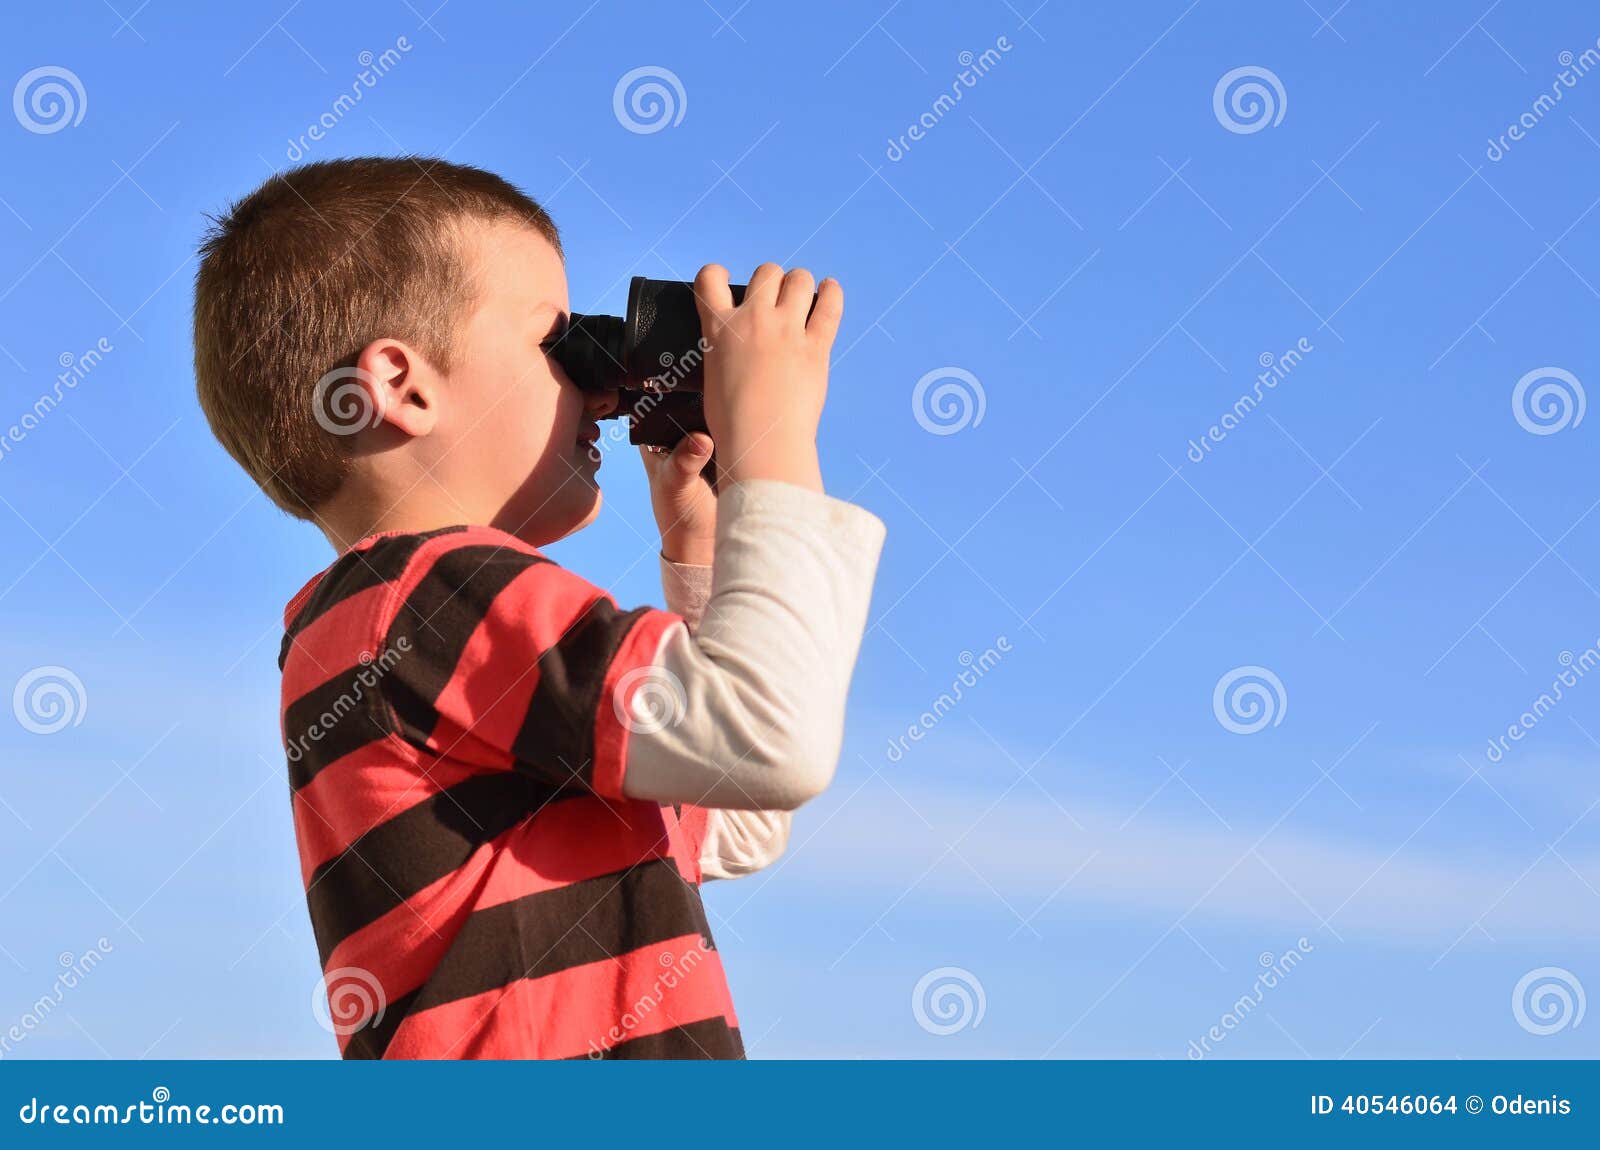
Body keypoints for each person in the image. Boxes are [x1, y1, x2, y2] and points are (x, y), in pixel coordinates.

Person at [191, 157, 885, 1058]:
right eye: (554, 342)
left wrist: (702, 553)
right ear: (403, 387)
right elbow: (767, 741)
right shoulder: (431, 596)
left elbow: (739, 812)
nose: (601, 384)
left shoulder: (375, 626)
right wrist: (773, 440)